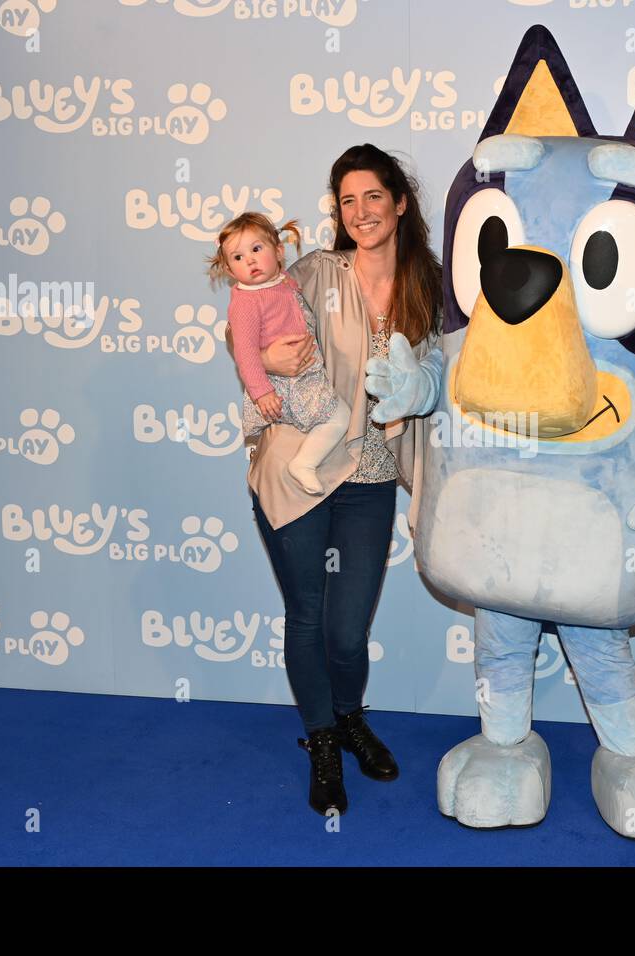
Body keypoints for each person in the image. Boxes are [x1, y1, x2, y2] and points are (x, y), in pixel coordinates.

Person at [246, 144, 444, 816]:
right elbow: (249, 327)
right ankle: (323, 741)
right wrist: (267, 356)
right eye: (348, 200)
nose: (360, 212)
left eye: (373, 197)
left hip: (371, 479)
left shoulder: (427, 285)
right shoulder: (313, 274)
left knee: (348, 629)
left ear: (400, 203)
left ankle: (350, 716)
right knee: (307, 614)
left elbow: (446, 371)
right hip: (299, 471)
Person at [208, 213, 350, 496]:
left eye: (256, 249)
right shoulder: (245, 303)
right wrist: (262, 393)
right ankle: (304, 463)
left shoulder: (283, 281)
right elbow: (245, 353)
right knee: (340, 417)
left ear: (279, 251)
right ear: (229, 269)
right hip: (285, 387)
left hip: (304, 375)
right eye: (238, 257)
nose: (249, 261)